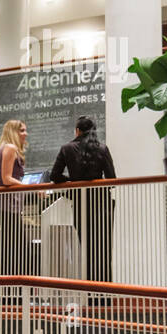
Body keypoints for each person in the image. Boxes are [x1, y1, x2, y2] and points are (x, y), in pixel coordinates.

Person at [50, 115, 116, 283]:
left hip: (81, 205)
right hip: (103, 205)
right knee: (104, 249)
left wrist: (74, 182)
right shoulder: (102, 148)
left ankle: (91, 291)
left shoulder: (66, 148)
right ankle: (106, 293)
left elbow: (55, 176)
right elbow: (112, 179)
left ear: (77, 131)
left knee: (87, 249)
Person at [0, 119, 33, 275]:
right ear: (13, 132)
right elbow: (6, 179)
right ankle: (13, 281)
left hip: (7, 205)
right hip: (9, 205)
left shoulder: (2, 148)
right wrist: (29, 187)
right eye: (22, 130)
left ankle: (9, 280)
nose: (25, 134)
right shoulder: (10, 148)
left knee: (11, 244)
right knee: (17, 246)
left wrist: (3, 177)